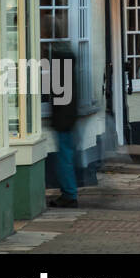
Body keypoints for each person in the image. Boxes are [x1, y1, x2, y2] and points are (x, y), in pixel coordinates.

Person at [47, 42, 80, 207]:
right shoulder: (67, 70)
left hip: (64, 122)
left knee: (64, 160)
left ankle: (69, 195)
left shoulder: (61, 73)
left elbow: (60, 100)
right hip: (67, 120)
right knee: (65, 159)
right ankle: (69, 193)